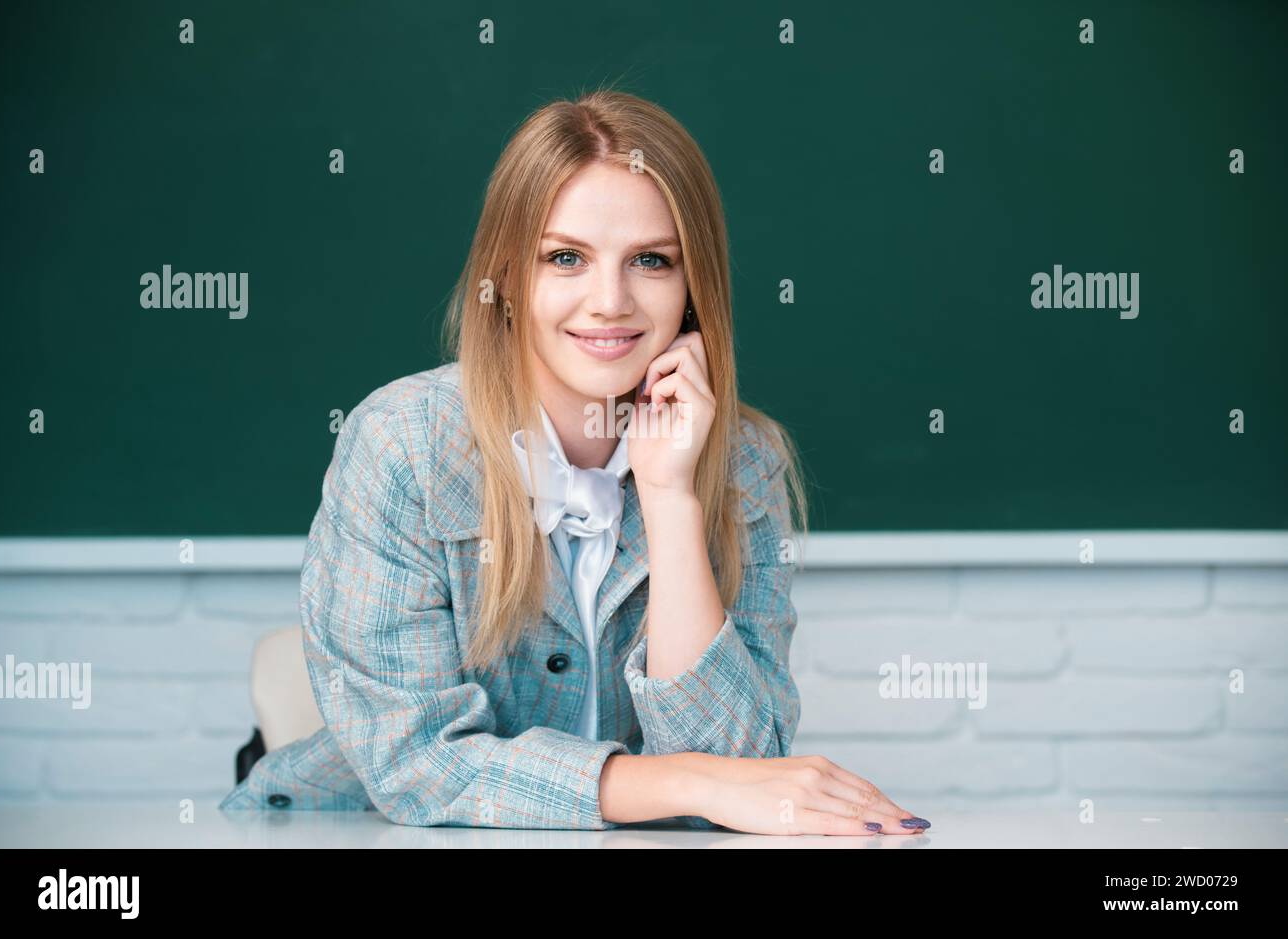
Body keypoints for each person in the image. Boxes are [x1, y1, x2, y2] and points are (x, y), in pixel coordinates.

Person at [219, 88, 930, 835]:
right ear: (507, 278)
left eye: (651, 261)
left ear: (693, 289)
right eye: (566, 257)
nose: (610, 301)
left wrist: (670, 498)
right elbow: (418, 767)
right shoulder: (402, 447)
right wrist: (683, 780)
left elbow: (738, 766)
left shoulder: (744, 461)